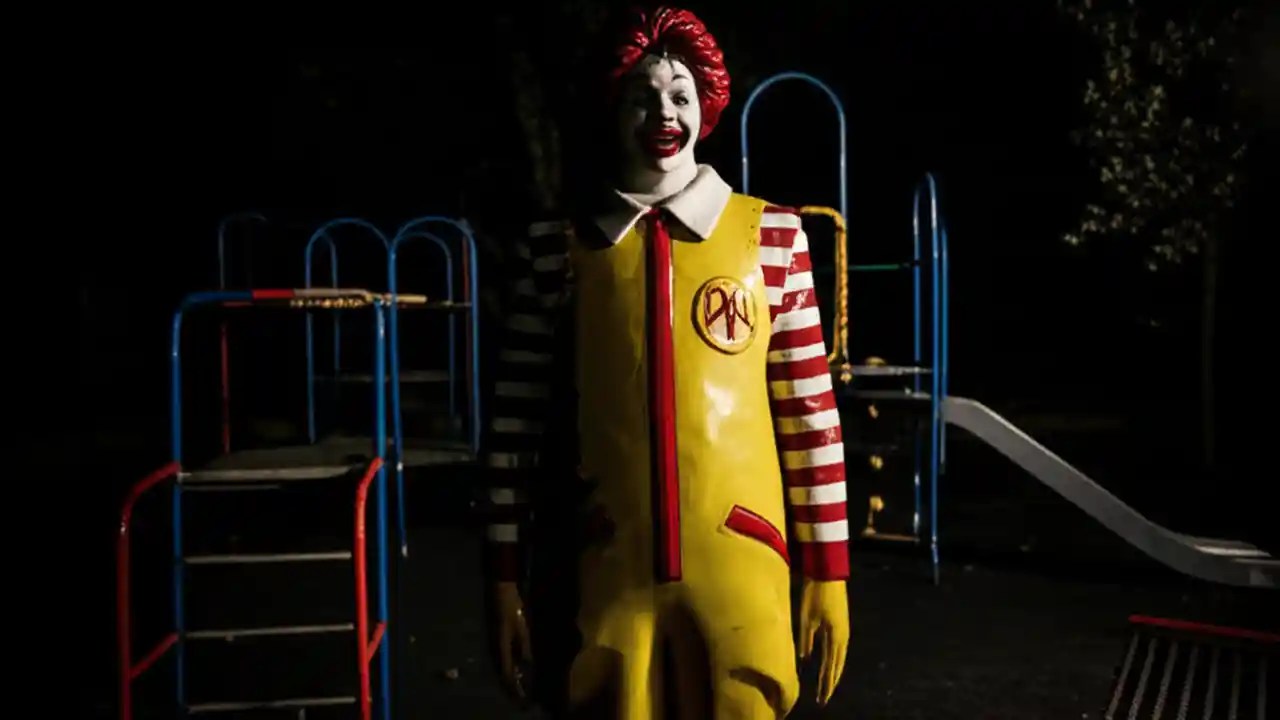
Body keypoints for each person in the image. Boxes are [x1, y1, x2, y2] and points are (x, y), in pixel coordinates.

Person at [481, 6, 851, 718]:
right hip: (601, 571)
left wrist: (827, 571)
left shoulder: (771, 236)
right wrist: (501, 578)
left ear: (707, 105)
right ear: (613, 107)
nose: (663, 113)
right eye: (642, 96)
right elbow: (513, 431)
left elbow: (811, 419)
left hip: (742, 566)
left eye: (679, 95)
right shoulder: (559, 248)